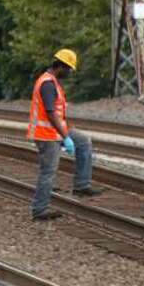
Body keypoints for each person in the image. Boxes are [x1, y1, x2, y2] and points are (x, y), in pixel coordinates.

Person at [29, 49, 100, 221]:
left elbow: (58, 112)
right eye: (68, 69)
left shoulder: (53, 81)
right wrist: (65, 137)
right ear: (60, 66)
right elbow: (50, 112)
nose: (69, 73)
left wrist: (67, 129)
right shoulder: (47, 84)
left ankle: (81, 185)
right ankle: (39, 210)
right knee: (48, 172)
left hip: (57, 130)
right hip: (47, 134)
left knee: (83, 142)